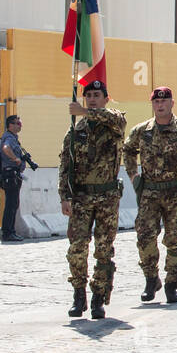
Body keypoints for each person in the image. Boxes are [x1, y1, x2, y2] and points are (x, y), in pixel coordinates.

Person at [122, 87, 177, 303]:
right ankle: (151, 278)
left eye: (164, 101)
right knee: (145, 236)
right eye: (156, 101)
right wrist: (133, 174)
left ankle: (171, 284)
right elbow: (128, 150)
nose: (160, 105)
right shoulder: (142, 130)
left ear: (172, 104)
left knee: (174, 239)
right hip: (149, 192)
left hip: (175, 191)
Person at [59, 79, 127, 318]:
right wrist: (64, 196)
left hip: (107, 197)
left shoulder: (115, 122)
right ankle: (79, 295)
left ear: (106, 99)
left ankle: (99, 296)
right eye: (88, 95)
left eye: (97, 95)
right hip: (81, 197)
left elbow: (116, 119)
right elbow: (65, 164)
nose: (92, 98)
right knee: (77, 248)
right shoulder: (75, 130)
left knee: (103, 249)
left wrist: (85, 112)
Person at [0, 114, 32, 241]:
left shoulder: (13, 138)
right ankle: (8, 232)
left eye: (20, 123)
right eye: (17, 123)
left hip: (13, 174)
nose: (19, 125)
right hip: (10, 173)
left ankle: (10, 231)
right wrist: (15, 158)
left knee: (13, 203)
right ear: (10, 125)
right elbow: (6, 148)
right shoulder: (9, 138)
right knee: (11, 204)